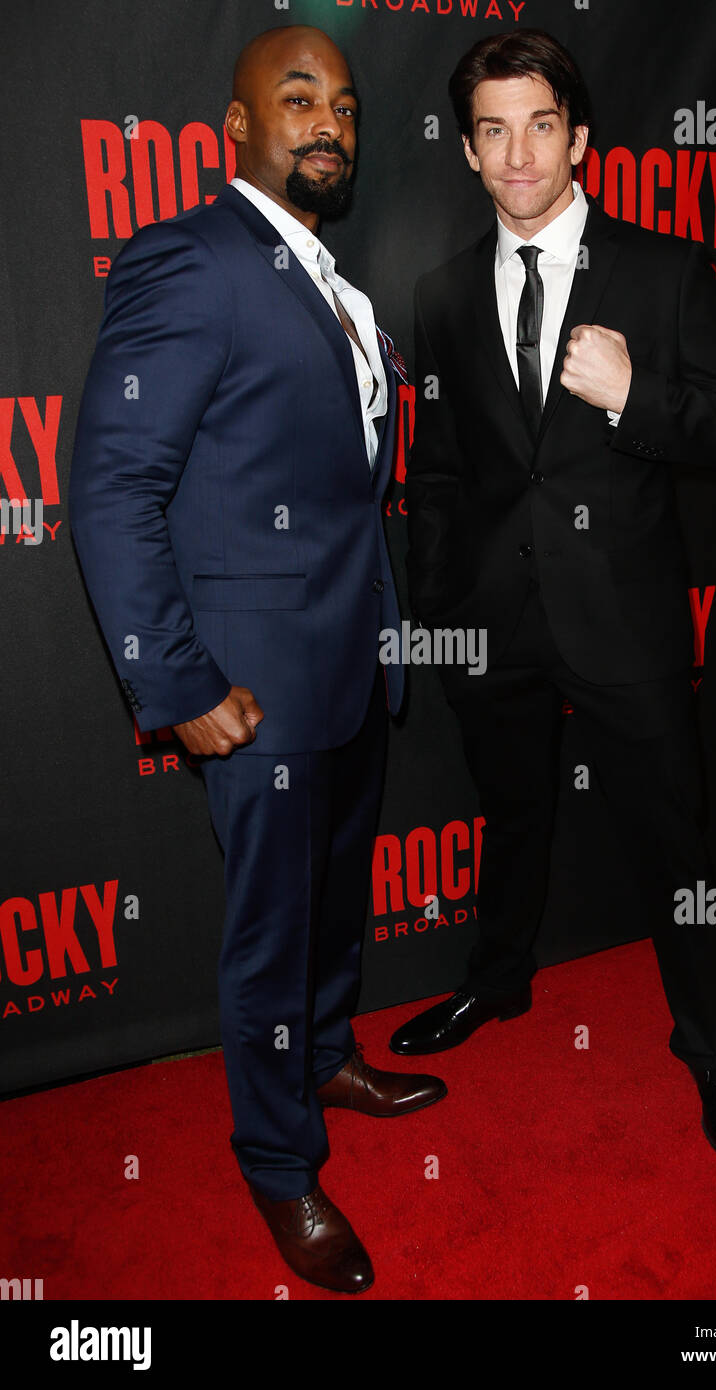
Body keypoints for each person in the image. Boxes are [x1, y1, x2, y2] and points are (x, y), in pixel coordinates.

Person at [69, 24, 445, 1295]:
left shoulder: (326, 279)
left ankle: (327, 1052)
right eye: (296, 98)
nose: (326, 120)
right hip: (249, 690)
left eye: (342, 102)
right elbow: (114, 487)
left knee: (331, 914)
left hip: (346, 672)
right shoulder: (191, 259)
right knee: (266, 936)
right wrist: (174, 686)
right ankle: (280, 1165)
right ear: (235, 124)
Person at [391, 29, 716, 1169]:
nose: (517, 154)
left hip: (625, 626)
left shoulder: (661, 271)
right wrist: (436, 616)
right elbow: (439, 474)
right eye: (493, 130)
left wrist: (634, 395)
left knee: (675, 845)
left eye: (539, 125)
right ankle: (496, 984)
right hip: (496, 627)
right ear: (466, 152)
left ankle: (711, 1044)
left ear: (581, 140)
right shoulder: (442, 292)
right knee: (510, 822)